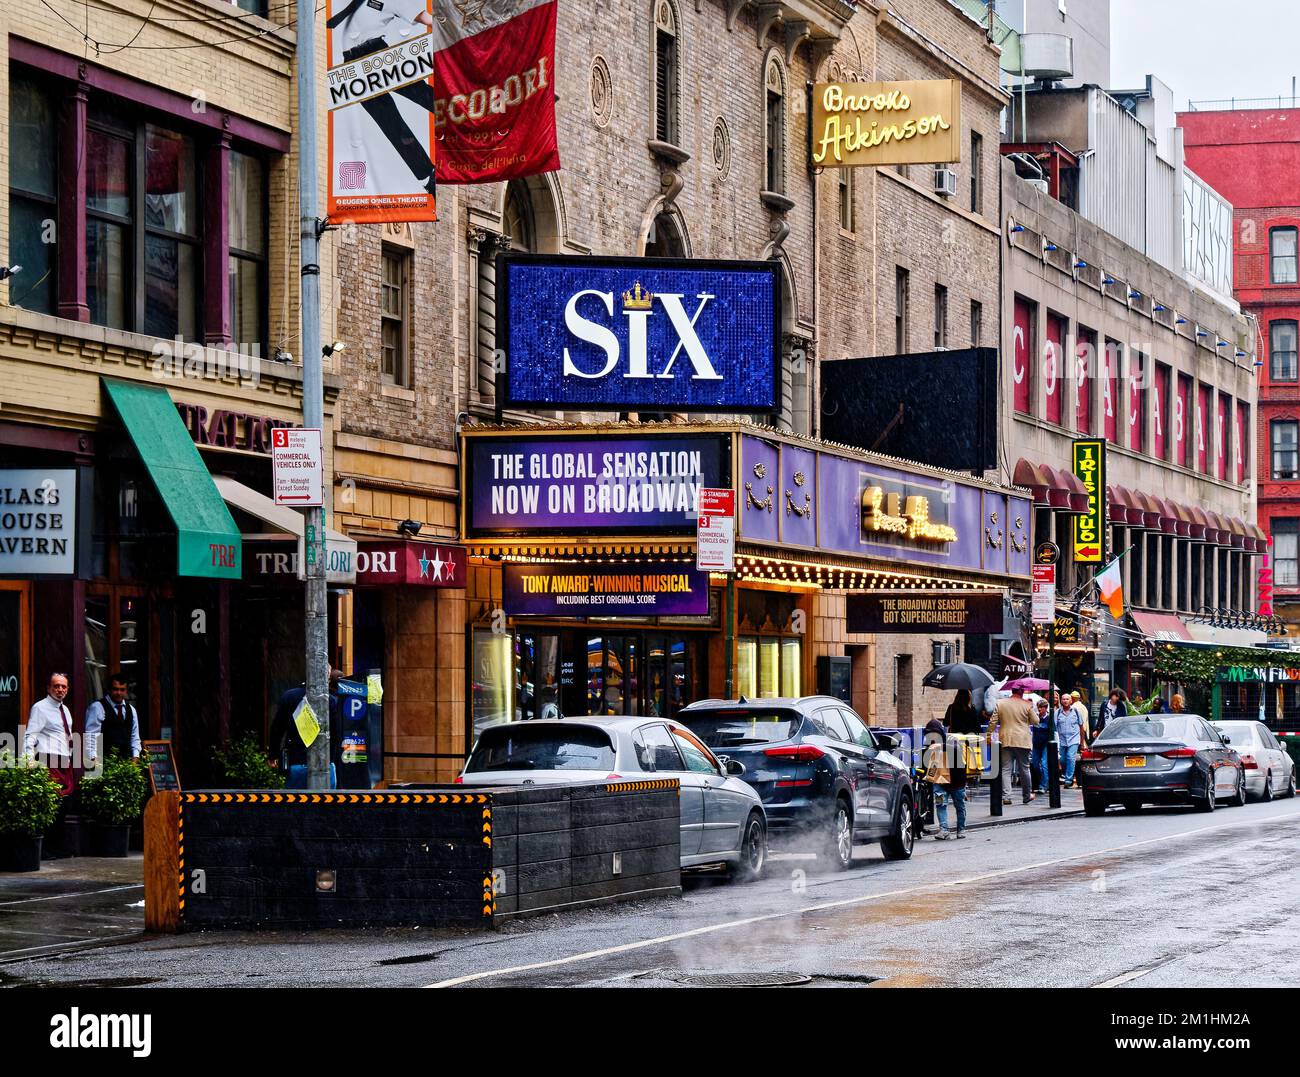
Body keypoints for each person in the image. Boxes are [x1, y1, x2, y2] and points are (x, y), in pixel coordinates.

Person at [328, 0, 438, 196]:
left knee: (419, 93)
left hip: (377, 52)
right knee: (390, 122)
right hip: (351, 66)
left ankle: (464, 116)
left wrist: (452, 30)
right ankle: (427, 174)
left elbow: (424, 17)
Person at [269, 671, 344, 787]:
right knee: (326, 803)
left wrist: (273, 754)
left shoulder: (289, 697)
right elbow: (337, 733)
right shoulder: (331, 701)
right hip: (325, 764)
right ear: (327, 678)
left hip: (297, 762)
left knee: (296, 802)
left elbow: (277, 729)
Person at [25, 672, 76, 796]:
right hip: (48, 761)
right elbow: (30, 736)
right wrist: (28, 761)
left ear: (67, 689)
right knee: (53, 802)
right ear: (49, 688)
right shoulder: (40, 707)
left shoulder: (66, 710)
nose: (60, 689)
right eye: (56, 686)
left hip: (65, 763)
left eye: (63, 687)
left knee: (65, 803)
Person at [989, 686, 1038, 805]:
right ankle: (1026, 796)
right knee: (1024, 769)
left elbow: (993, 721)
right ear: (1021, 692)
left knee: (1006, 769)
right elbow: (1036, 721)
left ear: (1012, 691)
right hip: (1022, 740)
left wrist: (988, 735)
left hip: (1006, 739)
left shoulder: (1000, 703)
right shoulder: (1027, 704)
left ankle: (1007, 797)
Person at [923, 714, 967, 839]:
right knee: (940, 805)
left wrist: (940, 746)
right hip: (939, 781)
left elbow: (956, 749)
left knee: (959, 805)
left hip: (957, 781)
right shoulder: (929, 745)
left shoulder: (951, 740)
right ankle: (944, 830)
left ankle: (961, 829)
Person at [84, 671, 141, 765]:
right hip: (103, 764)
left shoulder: (131, 710)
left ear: (126, 691)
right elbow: (91, 738)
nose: (119, 693)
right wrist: (94, 763)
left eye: (122, 690)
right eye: (115, 689)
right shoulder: (97, 708)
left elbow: (135, 738)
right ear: (109, 689)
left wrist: (135, 759)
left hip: (126, 765)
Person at [1056, 692, 1088, 787]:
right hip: (1061, 740)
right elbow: (1054, 728)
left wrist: (1082, 742)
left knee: (1070, 757)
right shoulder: (1057, 713)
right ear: (1061, 701)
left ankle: (1068, 780)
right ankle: (1066, 775)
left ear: (1071, 701)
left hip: (1074, 739)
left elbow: (1081, 727)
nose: (1065, 701)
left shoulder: (1076, 712)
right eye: (1063, 699)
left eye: (1067, 699)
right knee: (1062, 760)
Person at [1030, 697, 1052, 793]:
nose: (1039, 709)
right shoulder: (1036, 717)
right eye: (1038, 707)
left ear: (1046, 708)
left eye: (1041, 707)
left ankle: (1044, 785)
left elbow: (1052, 731)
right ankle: (1041, 782)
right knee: (1035, 764)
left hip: (1045, 745)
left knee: (1044, 764)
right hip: (1036, 744)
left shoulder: (1049, 718)